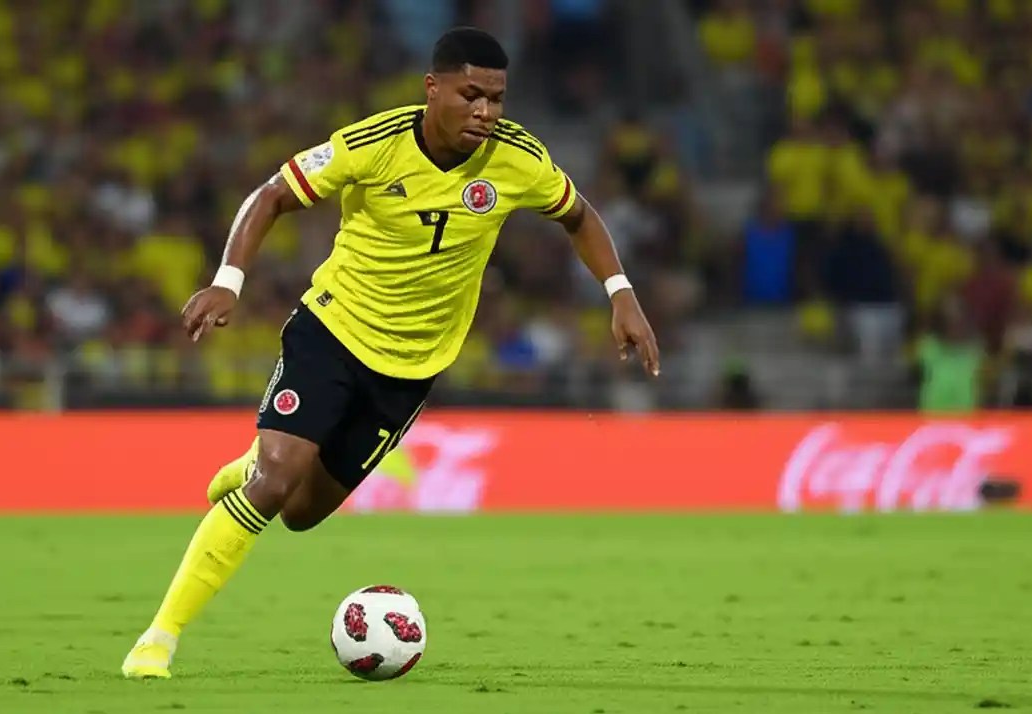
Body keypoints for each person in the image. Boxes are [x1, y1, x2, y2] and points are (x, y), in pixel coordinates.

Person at [122, 27, 660, 679]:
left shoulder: (520, 160)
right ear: (433, 89)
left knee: (300, 512)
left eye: (496, 98)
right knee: (275, 483)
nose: (486, 113)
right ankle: (159, 637)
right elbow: (270, 197)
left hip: (411, 370)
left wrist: (621, 293)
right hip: (332, 333)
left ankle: (254, 463)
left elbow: (579, 215)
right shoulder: (371, 145)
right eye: (471, 95)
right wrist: (227, 280)